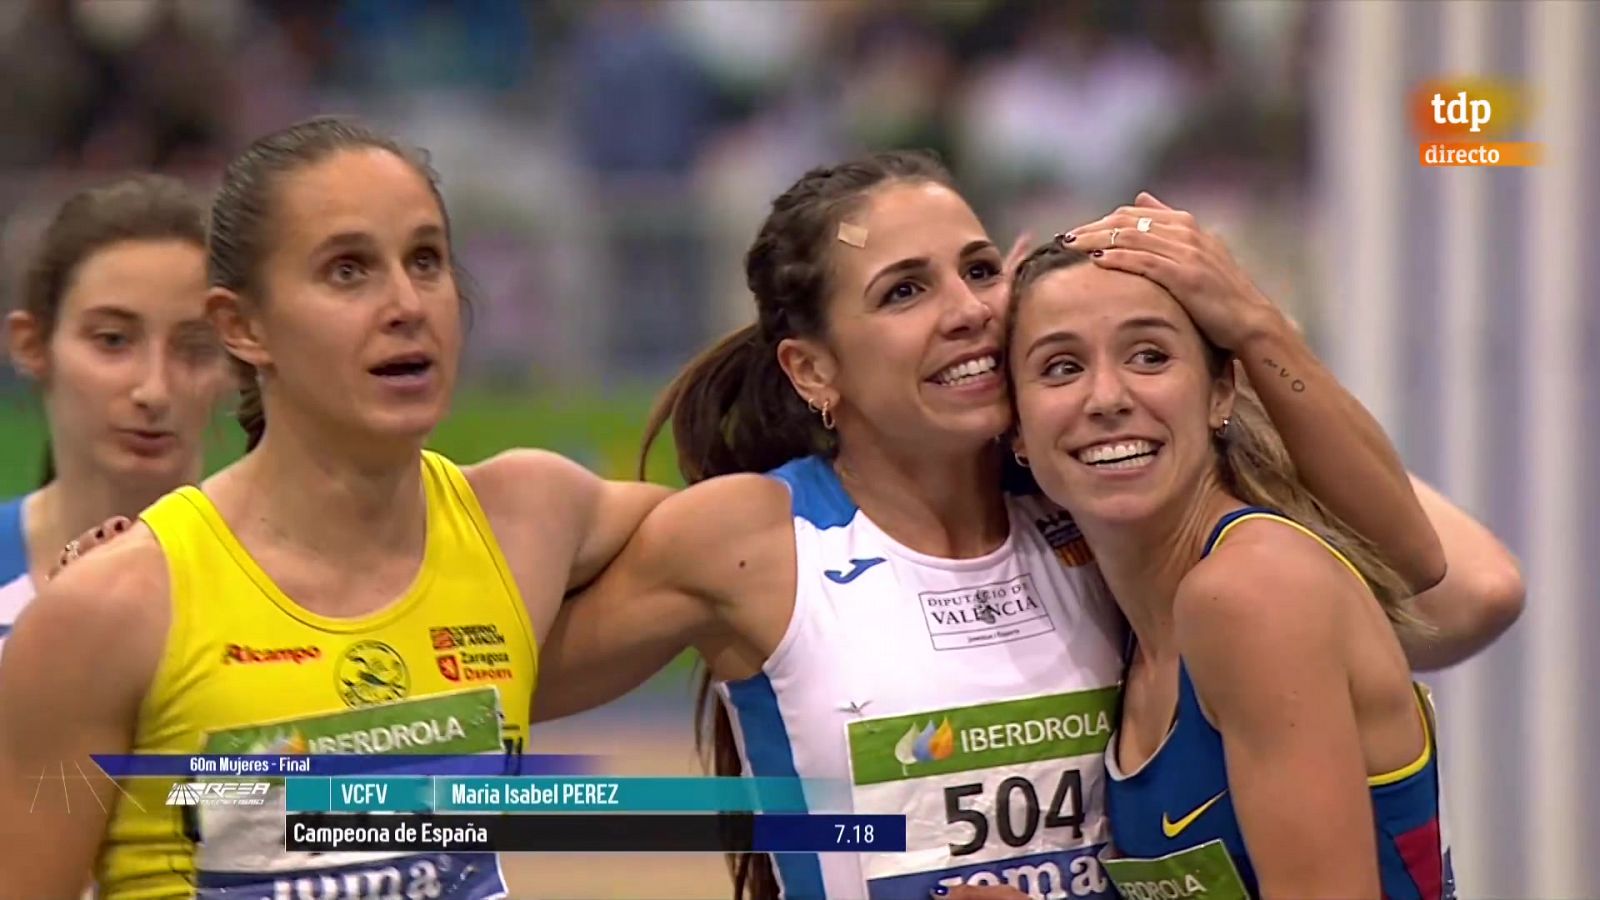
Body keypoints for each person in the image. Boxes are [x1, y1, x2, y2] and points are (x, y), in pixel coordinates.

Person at [531, 157, 1520, 899]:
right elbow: (492, 698)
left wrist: (1172, 339)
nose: (963, 309)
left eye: (974, 273)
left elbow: (1465, 587)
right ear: (812, 371)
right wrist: (552, 503)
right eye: (906, 291)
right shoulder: (751, 537)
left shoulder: (1102, 514)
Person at [0, 117, 669, 899]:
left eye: (426, 260)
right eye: (347, 270)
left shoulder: (528, 514)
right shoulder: (108, 610)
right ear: (243, 328)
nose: (405, 303)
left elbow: (743, 545)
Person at [1005, 225, 1455, 897]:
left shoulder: (1250, 591)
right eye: (1061, 367)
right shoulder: (1134, 622)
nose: (1107, 397)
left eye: (1150, 356)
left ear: (1221, 395)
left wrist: (1257, 324)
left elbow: (1439, 565)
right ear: (1015, 430)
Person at [1, 174, 228, 654]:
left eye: (196, 348)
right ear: (31, 345)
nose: (154, 390)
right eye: (112, 340)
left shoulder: (295, 586)